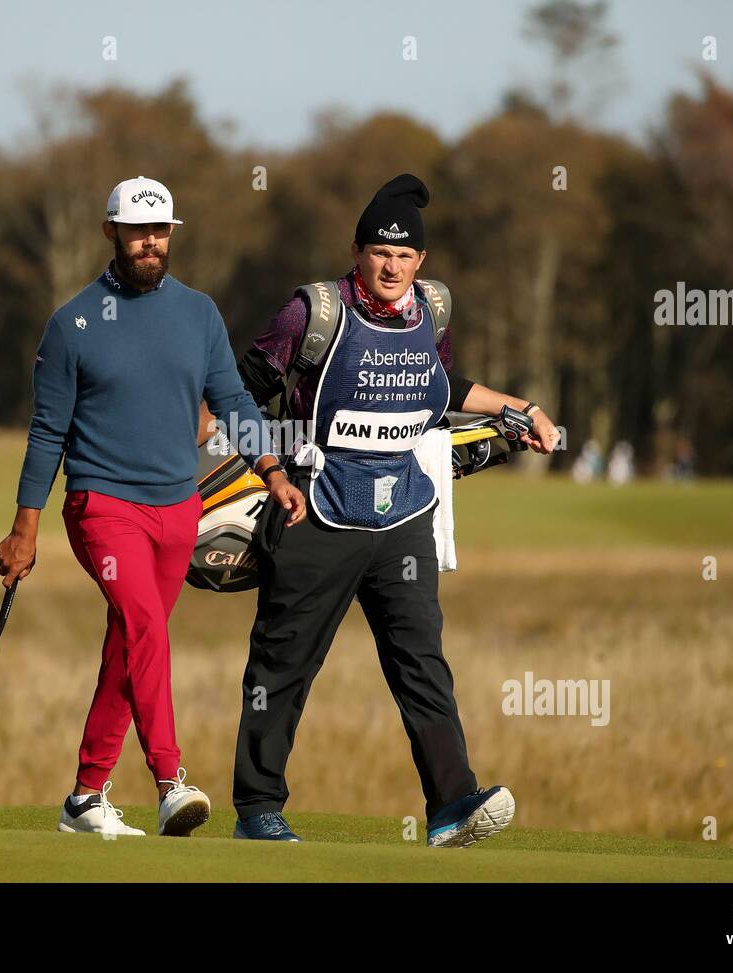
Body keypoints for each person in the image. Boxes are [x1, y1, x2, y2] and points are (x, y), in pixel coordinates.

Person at [209, 174, 560, 846]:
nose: (392, 266)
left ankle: (453, 804)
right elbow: (238, 390)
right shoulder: (310, 312)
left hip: (404, 515)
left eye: (404, 255)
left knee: (421, 660)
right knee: (283, 666)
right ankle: (258, 809)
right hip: (315, 513)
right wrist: (271, 471)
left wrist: (520, 407)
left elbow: (441, 386)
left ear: (420, 260)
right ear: (357, 251)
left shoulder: (432, 308)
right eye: (379, 253)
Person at [0, 176, 306, 838]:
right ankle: (170, 781)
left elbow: (233, 402)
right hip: (102, 505)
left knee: (129, 644)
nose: (150, 242)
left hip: (177, 509)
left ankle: (84, 796)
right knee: (145, 628)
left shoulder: (197, 313)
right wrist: (25, 526)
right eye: (138, 230)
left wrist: (271, 469)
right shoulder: (72, 323)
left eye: (160, 230)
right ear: (111, 231)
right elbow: (47, 431)